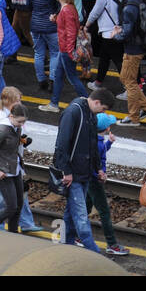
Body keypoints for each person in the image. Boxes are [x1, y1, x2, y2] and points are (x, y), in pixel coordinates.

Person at [53, 87, 116, 253]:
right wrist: (66, 171)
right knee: (81, 215)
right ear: (96, 102)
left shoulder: (90, 114)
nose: (102, 112)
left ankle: (66, 245)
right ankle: (93, 252)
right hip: (73, 173)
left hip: (84, 172)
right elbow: (62, 144)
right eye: (103, 108)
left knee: (71, 212)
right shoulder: (74, 112)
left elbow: (92, 146)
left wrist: (98, 169)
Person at [0, 87, 43, 233]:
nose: (19, 103)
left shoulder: (15, 117)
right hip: (2, 166)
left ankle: (24, 224)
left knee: (17, 198)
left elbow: (12, 139)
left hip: (13, 164)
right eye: (17, 100)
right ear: (7, 102)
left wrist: (22, 141)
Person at [113, 0, 146, 126]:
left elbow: (128, 31)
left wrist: (116, 35)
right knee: (126, 78)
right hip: (139, 45)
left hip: (132, 48)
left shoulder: (129, 8)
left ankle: (133, 117)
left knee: (129, 82)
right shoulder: (138, 2)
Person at [88, 112, 131, 257]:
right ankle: (112, 244)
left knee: (86, 208)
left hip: (89, 180)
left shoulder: (95, 140)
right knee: (104, 212)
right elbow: (97, 160)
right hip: (95, 181)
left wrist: (109, 143)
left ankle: (76, 235)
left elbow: (100, 152)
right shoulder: (97, 144)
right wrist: (100, 175)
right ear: (107, 129)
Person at [41, 0, 89, 111]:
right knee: (58, 76)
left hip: (66, 50)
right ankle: (54, 104)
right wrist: (56, 19)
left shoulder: (66, 10)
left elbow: (71, 31)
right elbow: (70, 25)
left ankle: (88, 103)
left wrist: (69, 51)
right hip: (65, 49)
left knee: (72, 77)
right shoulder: (69, 8)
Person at [0, 103, 29, 233]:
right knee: (11, 207)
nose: (22, 124)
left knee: (18, 205)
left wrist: (22, 142)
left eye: (24, 122)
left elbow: (11, 146)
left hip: (15, 169)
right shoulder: (2, 130)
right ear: (11, 116)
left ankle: (12, 233)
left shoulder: (16, 127)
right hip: (4, 172)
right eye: (20, 121)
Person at [26, 0, 58, 95]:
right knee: (55, 53)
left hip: (35, 25)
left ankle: (41, 80)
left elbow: (28, 6)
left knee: (39, 54)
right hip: (51, 26)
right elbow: (58, 6)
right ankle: (52, 81)